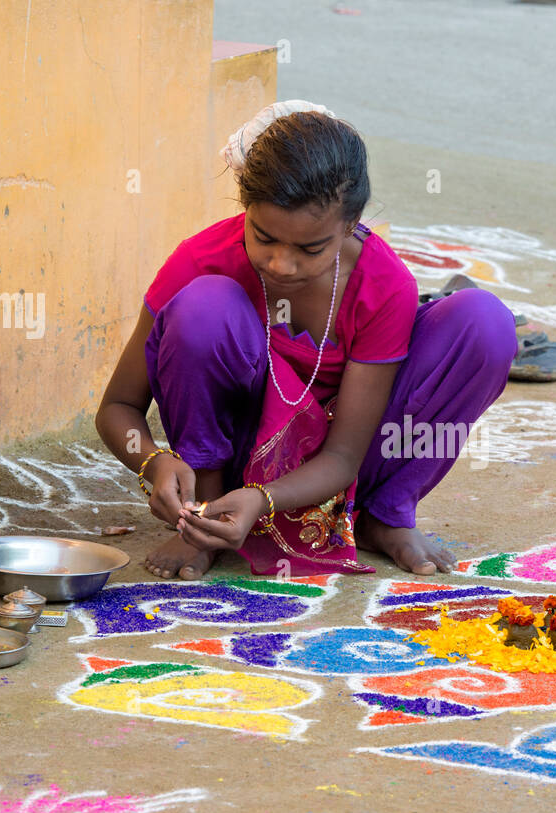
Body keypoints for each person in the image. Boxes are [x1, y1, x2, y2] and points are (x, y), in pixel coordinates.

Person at [96, 101, 517, 581]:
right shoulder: (201, 260)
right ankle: (203, 517)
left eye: (310, 248)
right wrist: (154, 462)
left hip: (342, 475)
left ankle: (382, 515)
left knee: (484, 322)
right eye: (264, 236)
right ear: (244, 205)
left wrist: (265, 499)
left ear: (351, 223)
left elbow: (342, 456)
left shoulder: (382, 283)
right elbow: (118, 408)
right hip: (230, 465)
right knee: (203, 308)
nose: (281, 264)